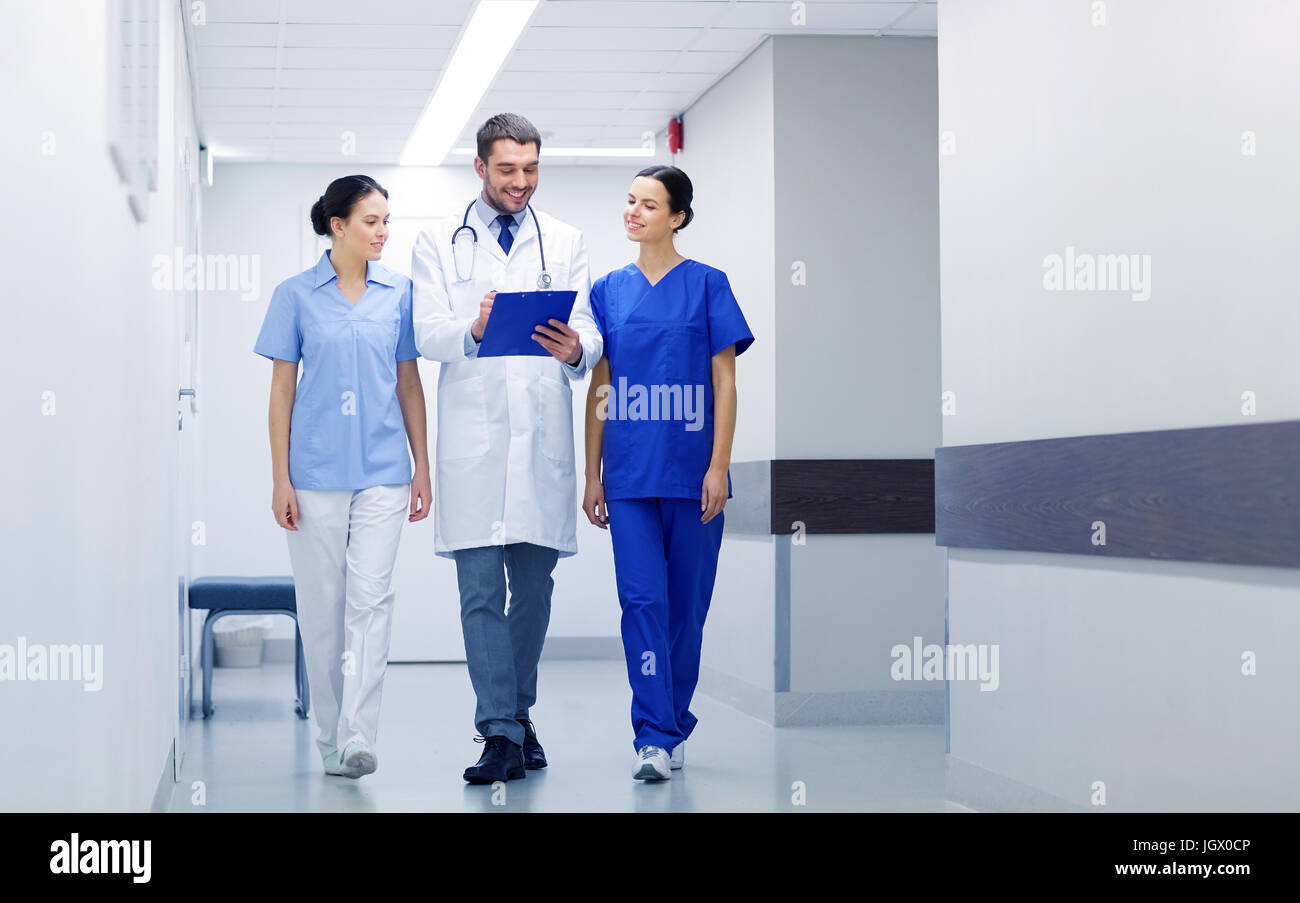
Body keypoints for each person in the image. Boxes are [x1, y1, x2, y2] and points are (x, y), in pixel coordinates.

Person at [411, 113, 602, 784]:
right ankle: (499, 730)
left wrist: (579, 348)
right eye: (507, 169)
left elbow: (588, 331)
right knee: (479, 592)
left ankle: (514, 716)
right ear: (480, 168)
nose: (521, 182)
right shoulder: (437, 242)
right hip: (473, 440)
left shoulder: (567, 240)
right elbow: (426, 332)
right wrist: (474, 326)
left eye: (531, 169)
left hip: (542, 437)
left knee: (536, 591)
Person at [254, 175, 431, 779]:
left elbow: (409, 383)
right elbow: (282, 391)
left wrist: (421, 467)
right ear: (337, 226)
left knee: (371, 600)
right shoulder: (295, 295)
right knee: (323, 608)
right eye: (371, 221)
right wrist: (280, 478)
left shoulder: (400, 293)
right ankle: (329, 737)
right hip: (314, 472)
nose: (383, 232)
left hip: (384, 471)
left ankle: (359, 734)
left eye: (387, 221)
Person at [581, 165, 753, 781]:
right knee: (641, 600)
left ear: (677, 216)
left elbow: (725, 380)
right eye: (630, 201)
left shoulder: (709, 285)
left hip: (692, 473)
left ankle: (674, 720)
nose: (633, 212)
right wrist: (592, 472)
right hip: (628, 474)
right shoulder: (606, 291)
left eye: (648, 204)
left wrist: (719, 464)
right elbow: (600, 382)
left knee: (686, 607)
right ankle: (652, 734)